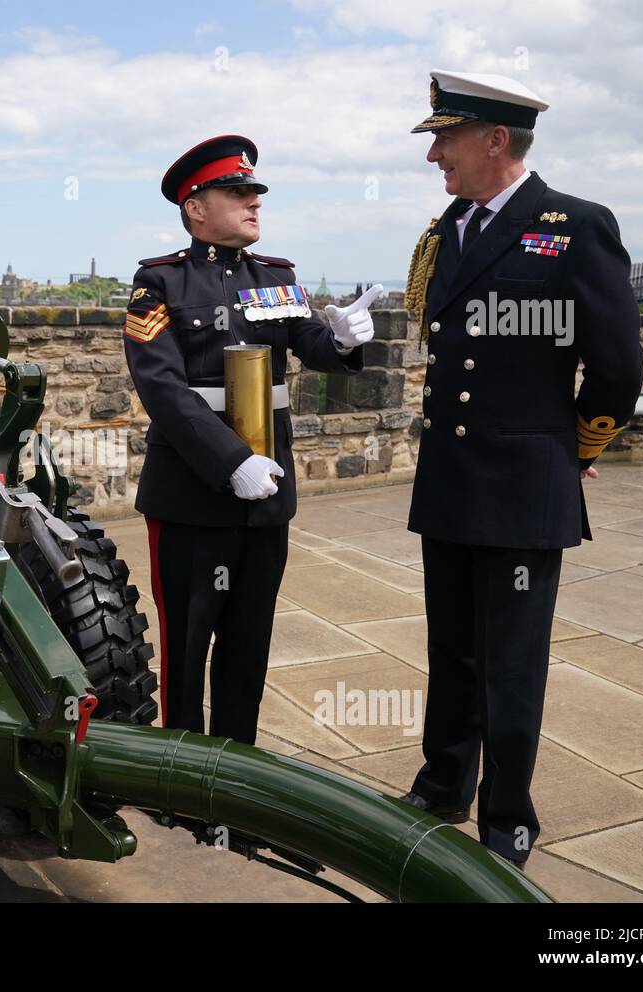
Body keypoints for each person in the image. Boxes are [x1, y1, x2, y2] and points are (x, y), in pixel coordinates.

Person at [400, 71, 643, 867]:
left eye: (446, 137)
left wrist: (577, 449)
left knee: (511, 663)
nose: (436, 153)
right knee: (453, 649)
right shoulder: (451, 227)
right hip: (452, 476)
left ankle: (507, 815)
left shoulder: (574, 226)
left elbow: (615, 364)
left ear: (494, 140)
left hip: (521, 479)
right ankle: (442, 784)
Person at [122, 134, 379, 745]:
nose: (253, 202)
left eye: (255, 191)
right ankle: (179, 771)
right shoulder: (159, 284)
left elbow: (311, 346)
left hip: (267, 499)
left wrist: (343, 339)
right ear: (195, 208)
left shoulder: (278, 277)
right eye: (237, 192)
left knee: (249, 639)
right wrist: (232, 460)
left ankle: (237, 764)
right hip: (192, 494)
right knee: (187, 641)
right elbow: (162, 388)